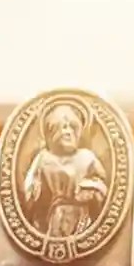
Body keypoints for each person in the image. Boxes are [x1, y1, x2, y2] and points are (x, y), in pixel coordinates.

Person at [22, 101, 108, 237]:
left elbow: (101, 184)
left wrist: (91, 189)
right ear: (51, 132)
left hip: (82, 217)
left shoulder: (87, 157)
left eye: (72, 127)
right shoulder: (43, 158)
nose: (68, 132)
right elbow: (29, 192)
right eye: (63, 127)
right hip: (53, 215)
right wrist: (35, 192)